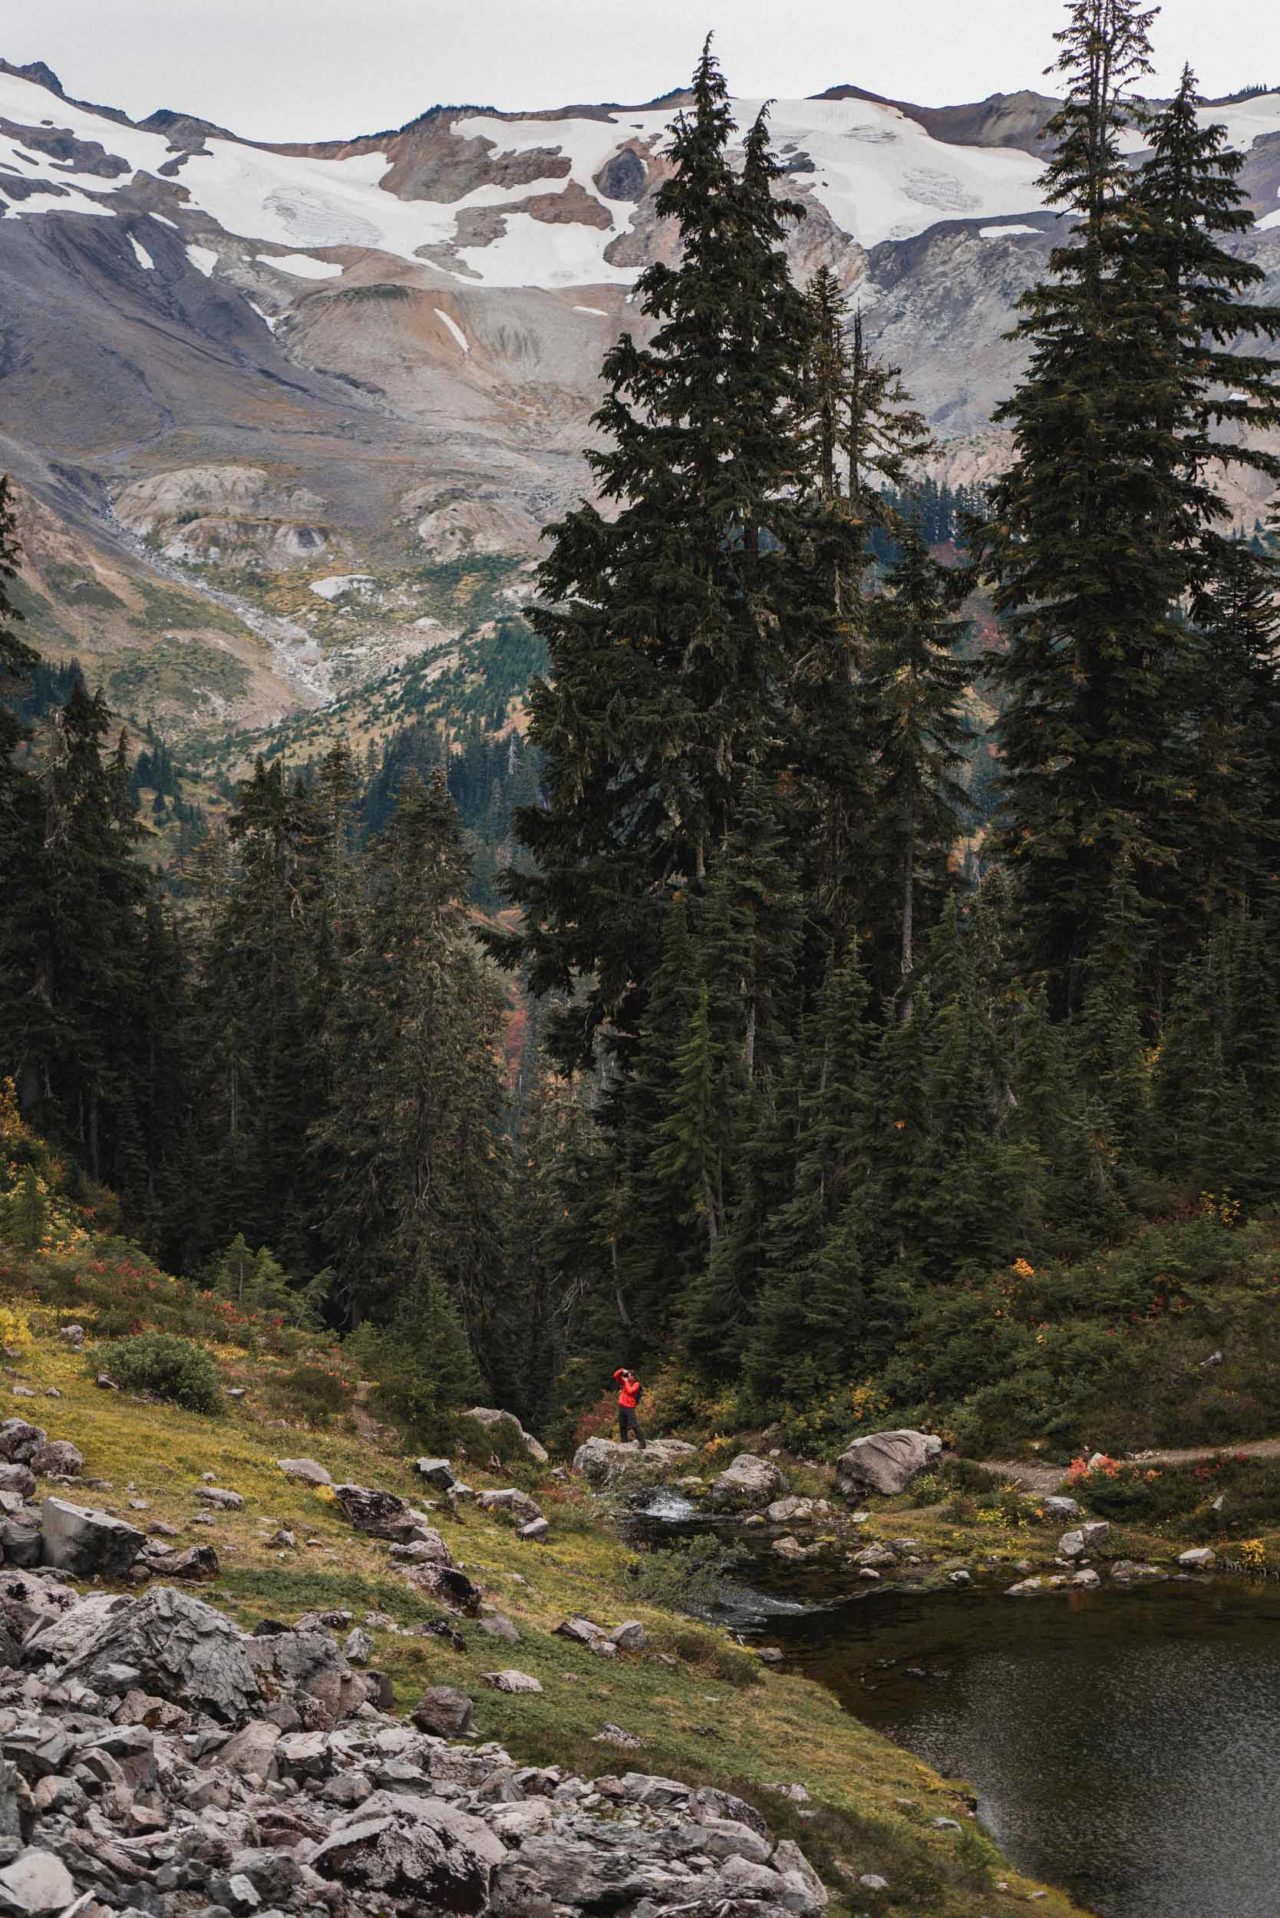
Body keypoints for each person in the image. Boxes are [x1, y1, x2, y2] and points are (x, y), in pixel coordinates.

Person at [613, 1367, 646, 1447]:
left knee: (634, 1424)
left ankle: (642, 1442)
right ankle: (624, 1441)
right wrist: (622, 1370)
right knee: (622, 1425)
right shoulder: (625, 1382)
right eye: (627, 1375)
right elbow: (615, 1375)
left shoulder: (636, 1384)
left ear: (633, 1377)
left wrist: (626, 1381)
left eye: (629, 1375)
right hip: (622, 1406)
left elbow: (630, 1391)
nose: (627, 1377)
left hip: (629, 1407)